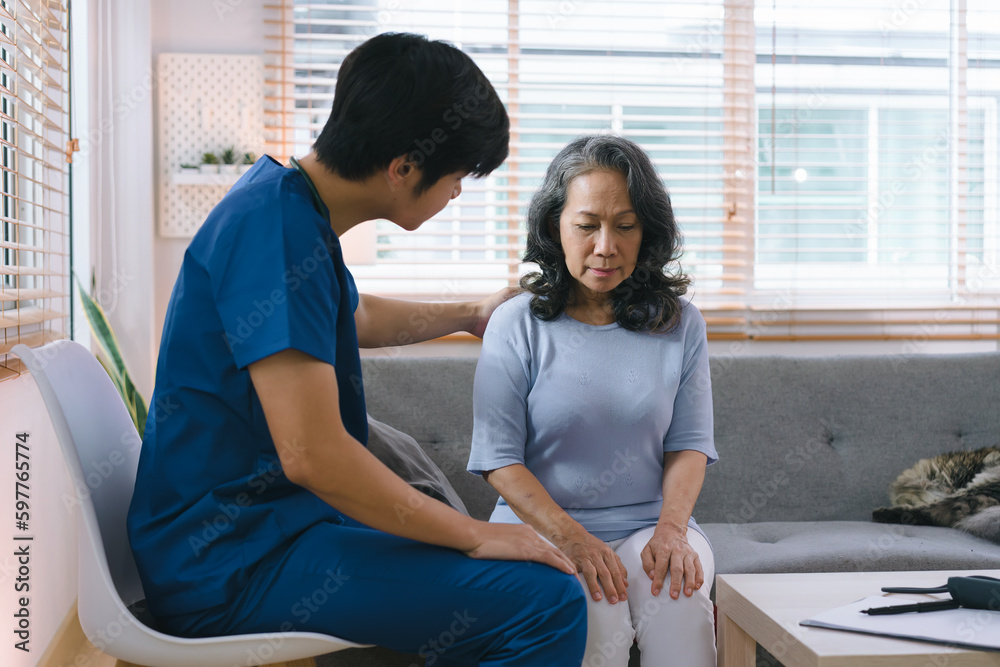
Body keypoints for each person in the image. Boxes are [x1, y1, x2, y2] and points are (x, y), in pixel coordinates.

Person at [126, 33, 587, 666]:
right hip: (232, 565)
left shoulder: (287, 206)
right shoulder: (277, 233)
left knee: (483, 575)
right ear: (403, 168)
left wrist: (469, 315)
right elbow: (312, 454)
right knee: (547, 600)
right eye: (455, 175)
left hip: (268, 536)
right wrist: (476, 535)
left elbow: (356, 314)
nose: (457, 191)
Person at [467, 135, 718, 667]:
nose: (606, 246)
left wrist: (673, 531)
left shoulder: (679, 323)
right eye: (587, 226)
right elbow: (497, 458)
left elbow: (690, 445)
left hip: (653, 524)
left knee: (677, 599)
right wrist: (574, 541)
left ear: (646, 231)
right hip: (540, 528)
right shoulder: (516, 324)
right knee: (592, 613)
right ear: (555, 226)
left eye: (624, 226)